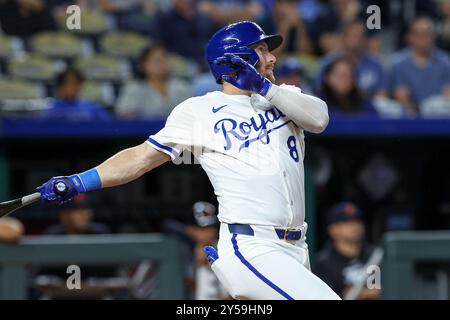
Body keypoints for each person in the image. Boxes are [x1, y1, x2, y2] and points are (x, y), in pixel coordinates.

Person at [36, 21, 339, 300]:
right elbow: (141, 158)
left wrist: (264, 88)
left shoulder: (283, 95)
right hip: (253, 246)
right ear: (235, 59)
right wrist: (80, 181)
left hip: (297, 246)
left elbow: (320, 119)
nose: (271, 58)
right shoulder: (200, 111)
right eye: (260, 50)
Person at [315, 202, 381, 300]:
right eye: (346, 223)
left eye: (356, 221)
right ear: (332, 229)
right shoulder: (323, 263)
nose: (354, 226)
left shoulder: (376, 255)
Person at [390, 16, 450, 115]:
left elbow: (448, 95)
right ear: (410, 37)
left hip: (439, 116)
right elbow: (402, 97)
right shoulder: (398, 64)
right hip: (410, 118)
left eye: (428, 34)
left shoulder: (446, 62)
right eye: (420, 34)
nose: (425, 39)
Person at [315, 20, 387, 100]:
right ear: (343, 37)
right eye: (353, 36)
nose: (357, 40)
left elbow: (382, 95)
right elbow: (319, 92)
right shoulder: (328, 63)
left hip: (368, 108)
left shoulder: (376, 64)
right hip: (334, 107)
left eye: (361, 36)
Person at [116, 45, 191, 119]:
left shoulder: (181, 86)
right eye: (156, 60)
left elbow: (191, 114)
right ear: (143, 65)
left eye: (164, 59)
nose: (161, 63)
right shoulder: (133, 88)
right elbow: (125, 117)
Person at [41, 67, 112, 121]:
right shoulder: (51, 110)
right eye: (70, 83)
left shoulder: (93, 108)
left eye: (77, 83)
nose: (74, 87)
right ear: (60, 87)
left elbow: (109, 127)